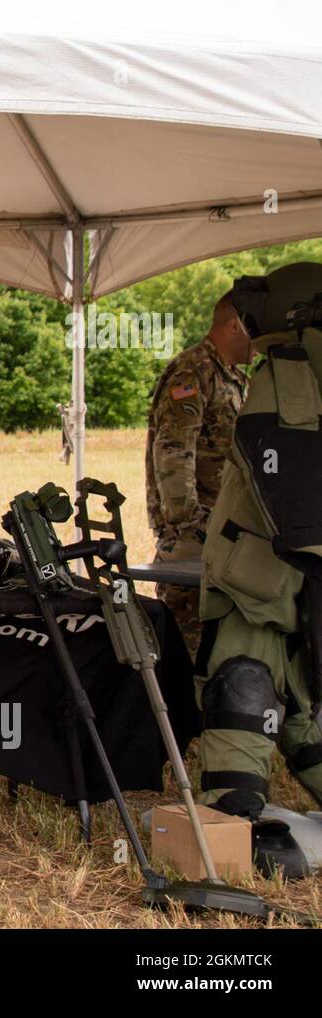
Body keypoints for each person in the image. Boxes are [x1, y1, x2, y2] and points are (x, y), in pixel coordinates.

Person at [196, 263, 322, 839]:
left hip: (260, 570)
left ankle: (231, 814)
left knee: (243, 678)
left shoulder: (290, 370)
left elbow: (281, 467)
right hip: (295, 571)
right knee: (301, 684)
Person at [145, 293, 251, 658]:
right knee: (187, 646)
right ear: (235, 325)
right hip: (195, 537)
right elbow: (173, 451)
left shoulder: (233, 377)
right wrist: (189, 524)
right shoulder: (194, 372)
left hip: (220, 532)